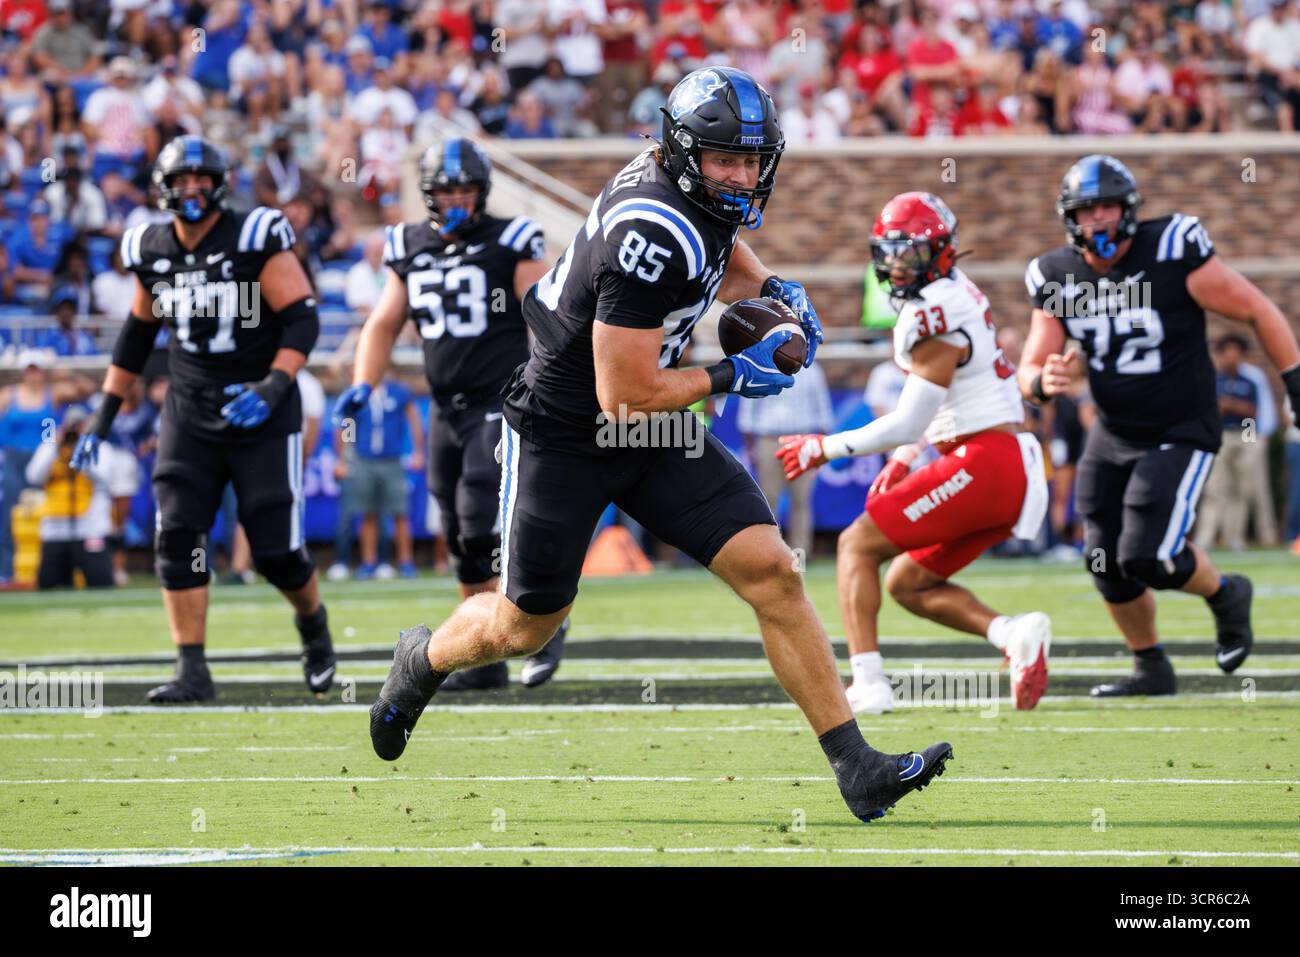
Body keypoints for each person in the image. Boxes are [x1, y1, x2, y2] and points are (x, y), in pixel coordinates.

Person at [365, 68, 952, 823]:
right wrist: (730, 374)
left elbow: (722, 242)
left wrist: (775, 287)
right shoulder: (651, 230)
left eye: (752, 160)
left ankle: (856, 765)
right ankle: (423, 660)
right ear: (683, 155)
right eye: (726, 161)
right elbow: (623, 393)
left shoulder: (691, 187)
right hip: (570, 428)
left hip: (649, 420)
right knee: (522, 624)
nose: (742, 177)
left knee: (773, 571)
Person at [70, 135, 337, 703]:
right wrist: (103, 416)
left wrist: (273, 384)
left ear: (218, 183)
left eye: (201, 179)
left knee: (274, 551)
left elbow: (302, 319)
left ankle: (313, 625)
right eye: (181, 180)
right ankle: (192, 667)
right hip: (191, 409)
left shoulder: (252, 234)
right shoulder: (149, 245)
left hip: (260, 409)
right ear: (164, 188)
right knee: (178, 534)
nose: (192, 189)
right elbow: (137, 336)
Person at [1020, 154, 1300, 696]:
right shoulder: (1055, 274)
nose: (1099, 218)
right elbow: (1032, 363)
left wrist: (1295, 383)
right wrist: (1041, 380)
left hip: (1180, 425)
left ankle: (1225, 594)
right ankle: (1150, 665)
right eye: (1086, 208)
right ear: (1069, 218)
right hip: (1113, 430)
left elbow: (1258, 309)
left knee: (1147, 554)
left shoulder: (1172, 250)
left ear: (1128, 210)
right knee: (1104, 561)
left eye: (1108, 206)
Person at [777, 192, 1052, 715]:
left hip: (987, 459)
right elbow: (940, 406)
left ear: (942, 252)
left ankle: (869, 682)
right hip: (1000, 460)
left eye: (913, 253)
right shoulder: (949, 294)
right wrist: (903, 461)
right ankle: (1014, 634)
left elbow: (909, 419)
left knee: (856, 545)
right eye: (891, 253)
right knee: (908, 581)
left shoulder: (933, 311)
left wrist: (824, 447)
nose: (899, 265)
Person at [335, 138, 566, 691]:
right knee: (457, 532)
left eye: (467, 189)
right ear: (430, 194)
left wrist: (558, 378)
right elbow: (386, 322)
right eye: (448, 190)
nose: (458, 199)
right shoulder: (407, 244)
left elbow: (544, 313)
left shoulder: (510, 238)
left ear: (482, 192)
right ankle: (484, 655)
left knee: (480, 504)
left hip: (502, 399)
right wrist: (363, 383)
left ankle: (542, 619)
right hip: (445, 407)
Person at [738, 359, 833, 560]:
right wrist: (751, 448)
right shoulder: (761, 366)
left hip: (803, 439)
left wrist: (821, 448)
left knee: (801, 500)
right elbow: (747, 414)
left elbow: (823, 410)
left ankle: (799, 555)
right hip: (769, 439)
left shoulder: (812, 370)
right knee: (768, 500)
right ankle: (771, 554)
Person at [333, 370, 423, 581]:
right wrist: (344, 457)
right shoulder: (356, 394)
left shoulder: (398, 392)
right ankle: (369, 562)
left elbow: (414, 420)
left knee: (400, 513)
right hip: (364, 459)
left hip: (392, 459)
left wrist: (418, 451)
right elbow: (347, 424)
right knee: (368, 513)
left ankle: (405, 561)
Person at [26, 406, 115, 589]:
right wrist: (55, 446)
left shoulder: (100, 447)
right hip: (55, 529)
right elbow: (34, 476)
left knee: (101, 584)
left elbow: (105, 478)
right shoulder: (50, 447)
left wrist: (81, 450)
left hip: (90, 527)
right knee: (50, 585)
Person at [1194, 334, 1265, 551]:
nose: (1232, 358)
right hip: (1220, 435)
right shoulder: (1214, 380)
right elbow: (1207, 409)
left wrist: (1249, 443)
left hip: (1243, 434)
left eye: (1236, 354)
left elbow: (1252, 414)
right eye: (1228, 354)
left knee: (1241, 490)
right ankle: (1205, 538)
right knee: (1215, 490)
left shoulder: (1249, 382)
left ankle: (1235, 537)